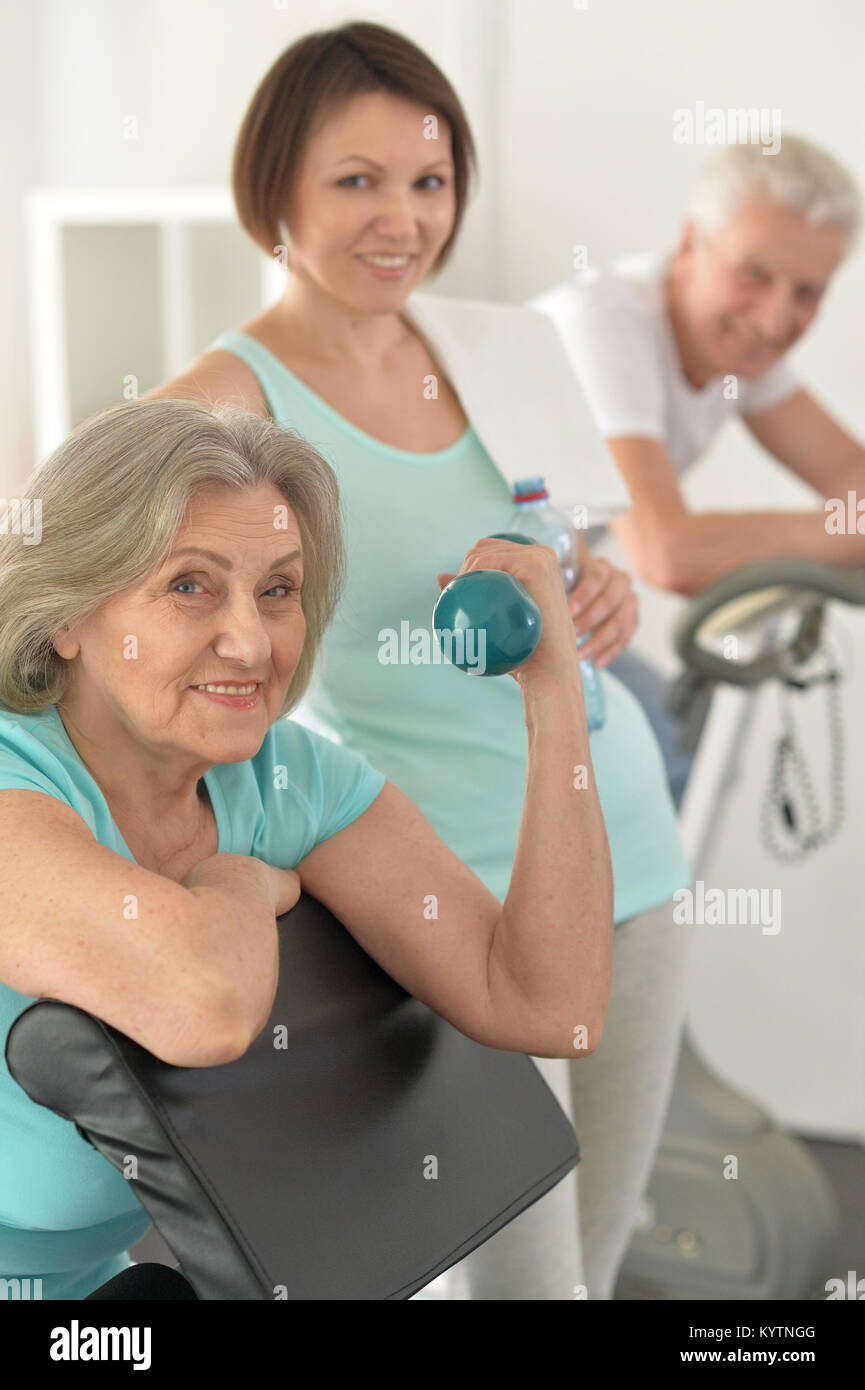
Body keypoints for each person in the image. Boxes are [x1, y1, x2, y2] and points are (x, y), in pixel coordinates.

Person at [144, 22, 693, 1301]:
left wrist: (594, 590)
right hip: (455, 902)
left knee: (592, 1270)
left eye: (429, 182)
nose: (402, 219)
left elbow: (569, 559)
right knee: (520, 1289)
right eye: (357, 180)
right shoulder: (225, 401)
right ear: (275, 189)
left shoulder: (505, 344)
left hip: (628, 851)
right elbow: (92, 597)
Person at [0, 398, 612, 1300]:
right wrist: (238, 885)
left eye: (278, 590)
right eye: (189, 586)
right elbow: (200, 1007)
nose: (250, 641)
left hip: (89, 1287)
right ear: (68, 616)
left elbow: (546, 1004)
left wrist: (552, 684)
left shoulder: (286, 778)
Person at [532, 134, 865, 809]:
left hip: (548, 603)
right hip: (447, 613)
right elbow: (667, 552)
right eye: (753, 274)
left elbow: (851, 481)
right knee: (669, 762)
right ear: (689, 245)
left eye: (807, 292)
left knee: (685, 749)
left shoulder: (744, 349)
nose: (774, 320)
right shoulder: (606, 323)